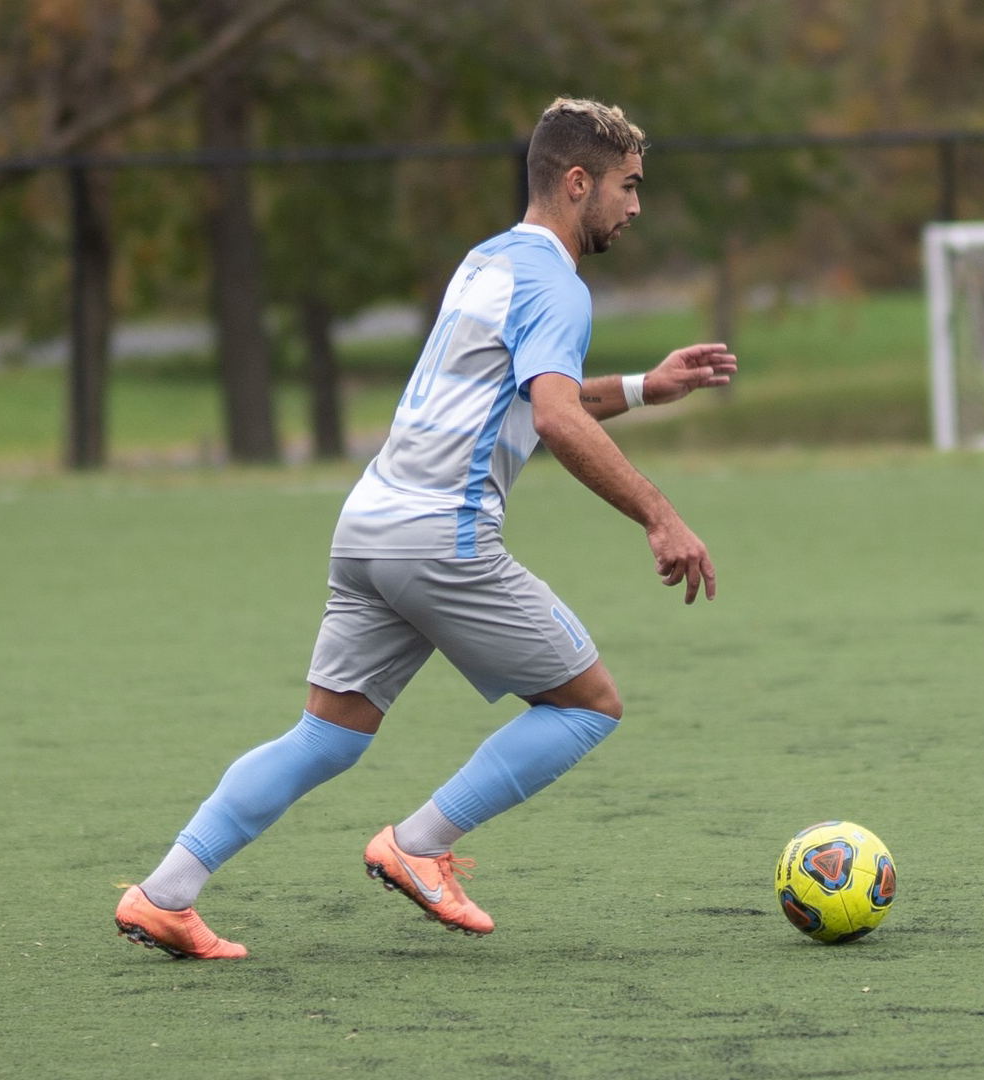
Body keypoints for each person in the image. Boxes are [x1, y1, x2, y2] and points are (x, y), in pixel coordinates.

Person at [115, 97, 738, 959]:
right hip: (442, 537)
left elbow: (527, 399)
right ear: (577, 181)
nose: (636, 206)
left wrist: (641, 388)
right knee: (588, 705)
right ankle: (419, 845)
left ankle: (164, 894)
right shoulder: (559, 284)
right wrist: (660, 516)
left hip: (370, 525)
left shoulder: (488, 261)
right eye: (628, 186)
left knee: (324, 738)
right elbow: (555, 418)